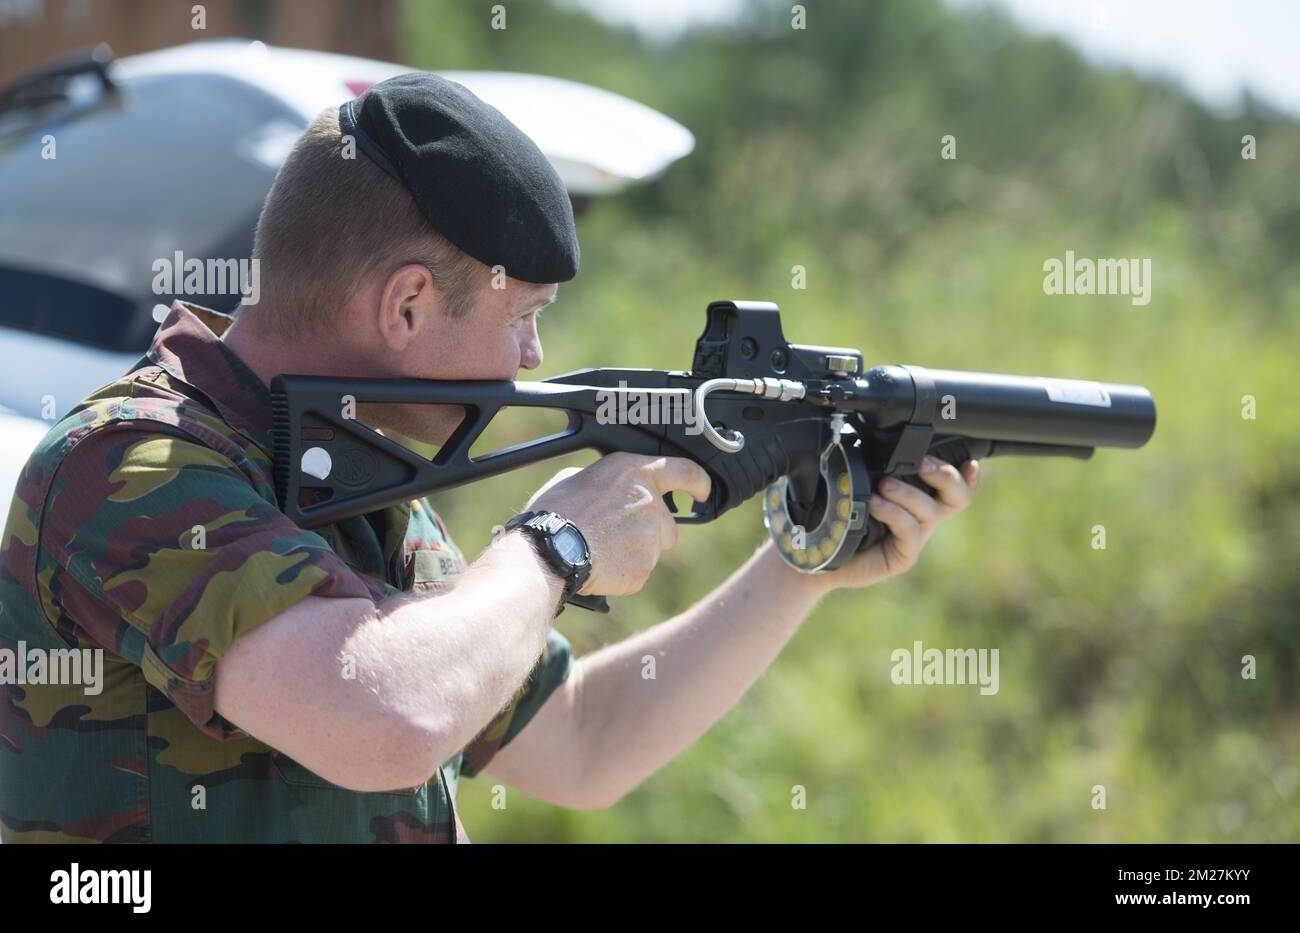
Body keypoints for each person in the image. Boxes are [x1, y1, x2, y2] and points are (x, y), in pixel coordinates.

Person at [0, 74, 979, 842]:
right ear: (408, 303)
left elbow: (584, 743)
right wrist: (555, 544)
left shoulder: (357, 491)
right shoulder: (128, 466)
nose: (533, 358)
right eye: (523, 317)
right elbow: (385, 717)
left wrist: (801, 564)